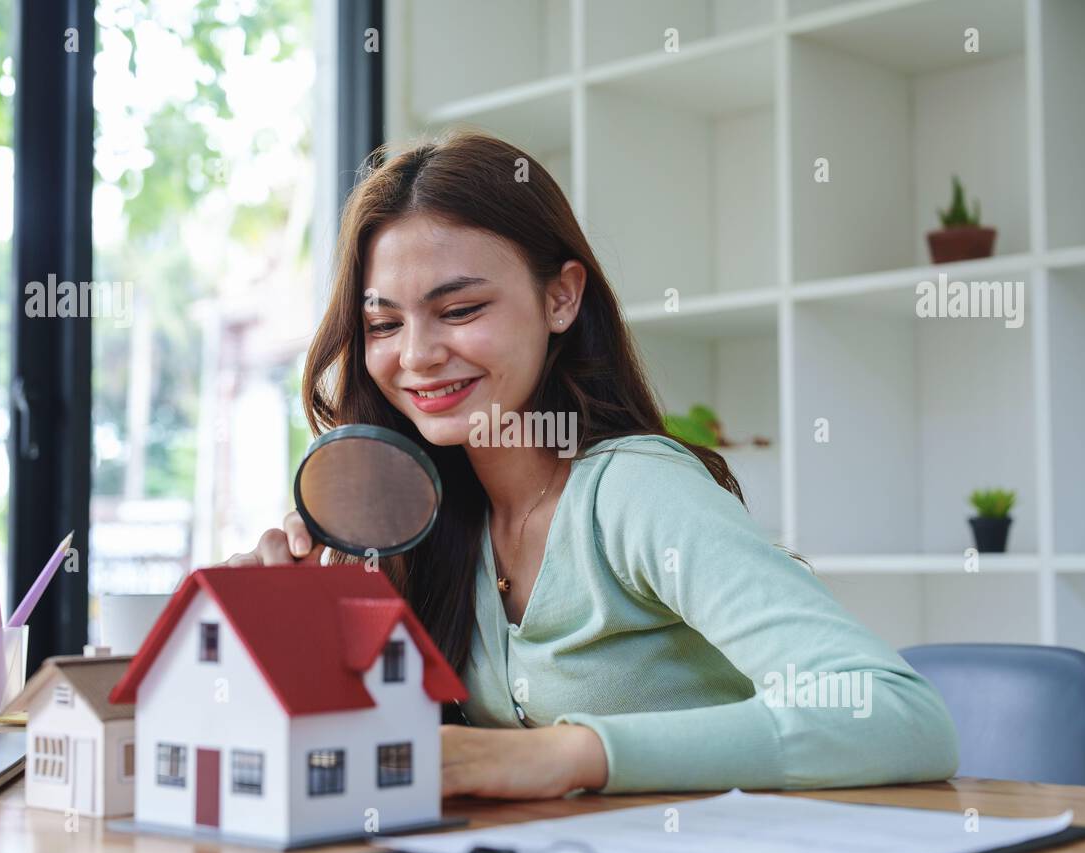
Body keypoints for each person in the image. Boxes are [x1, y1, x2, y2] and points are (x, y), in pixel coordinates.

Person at [223, 129, 960, 800]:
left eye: (459, 310)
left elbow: (901, 715)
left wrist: (572, 754)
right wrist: (303, 626)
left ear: (561, 297)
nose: (415, 355)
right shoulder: (443, 525)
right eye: (384, 323)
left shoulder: (636, 493)